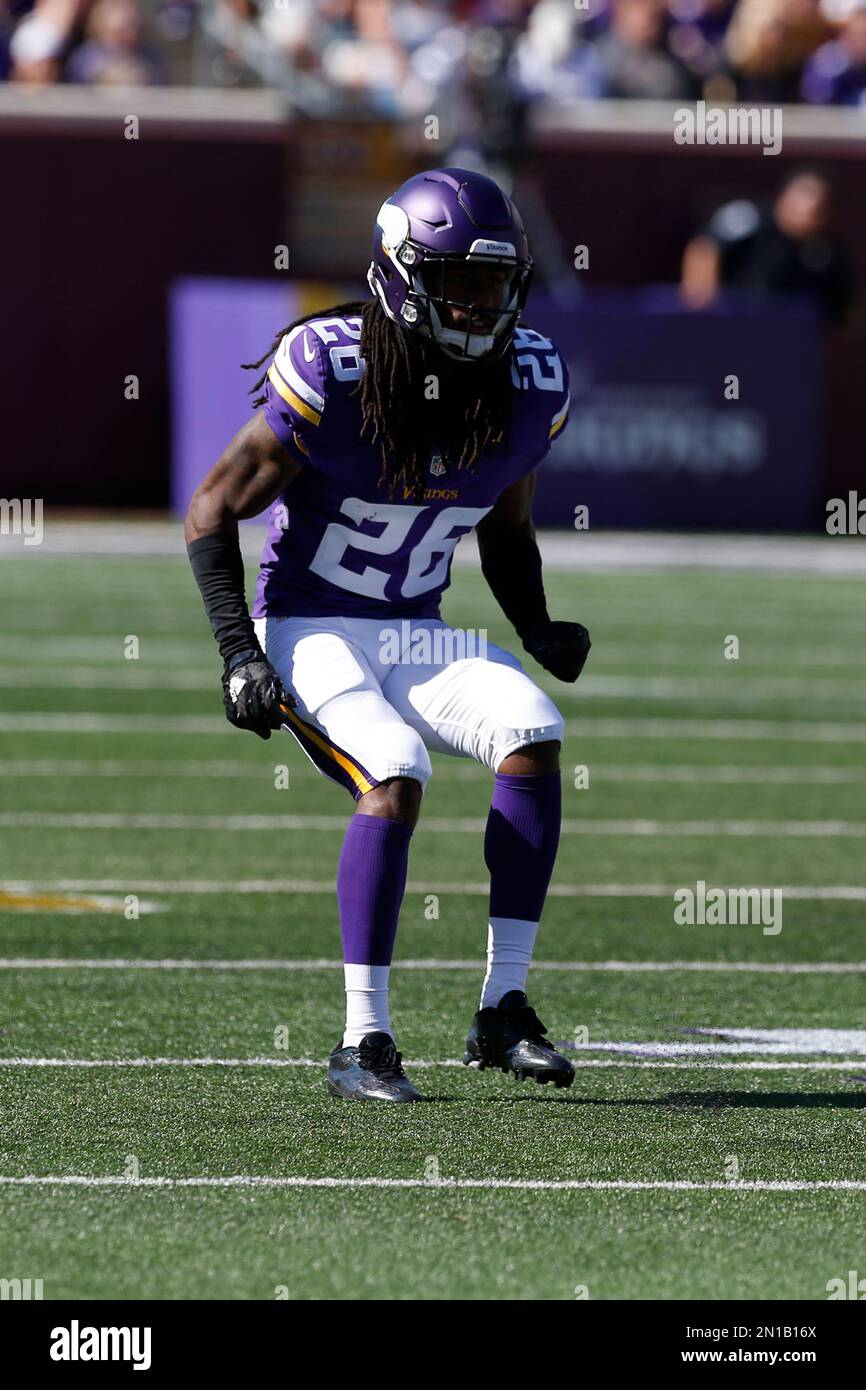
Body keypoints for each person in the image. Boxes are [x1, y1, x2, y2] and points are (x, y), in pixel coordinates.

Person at [185, 168, 590, 1103]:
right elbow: (212, 506)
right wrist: (240, 652)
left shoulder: (527, 382)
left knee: (532, 730)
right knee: (396, 767)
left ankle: (503, 1009)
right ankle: (362, 1040)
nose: (477, 303)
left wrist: (534, 626)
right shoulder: (334, 367)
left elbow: (507, 524)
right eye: (457, 282)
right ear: (403, 275)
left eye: (493, 283)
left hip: (412, 630)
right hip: (310, 624)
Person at [680, 166, 854, 324]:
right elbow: (704, 248)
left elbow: (842, 313)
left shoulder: (825, 254)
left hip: (786, 337)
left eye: (815, 212)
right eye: (796, 208)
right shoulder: (749, 219)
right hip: (731, 323)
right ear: (782, 198)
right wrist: (703, 312)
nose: (803, 218)